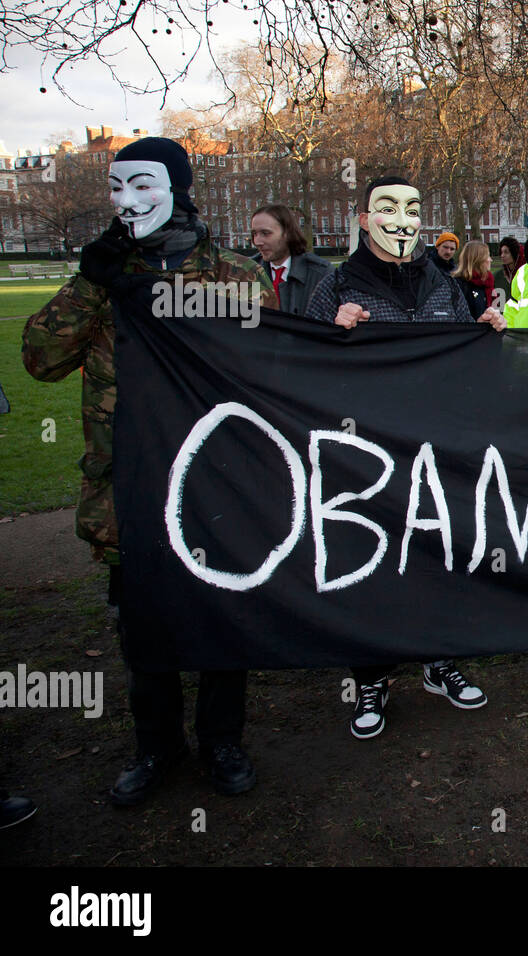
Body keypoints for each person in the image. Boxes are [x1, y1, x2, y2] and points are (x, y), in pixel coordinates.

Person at [22, 136, 276, 805]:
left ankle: (223, 740)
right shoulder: (106, 279)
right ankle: (155, 747)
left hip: (212, 484)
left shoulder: (232, 274)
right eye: (115, 187)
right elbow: (41, 358)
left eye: (142, 185)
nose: (125, 200)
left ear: (180, 188)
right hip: (127, 489)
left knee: (222, 615)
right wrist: (91, 282)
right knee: (143, 626)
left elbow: (272, 369)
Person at [305, 176, 507, 738]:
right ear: (364, 219)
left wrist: (486, 333)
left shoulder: (443, 286)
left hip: (434, 453)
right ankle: (371, 676)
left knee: (435, 554)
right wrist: (330, 333)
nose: (401, 218)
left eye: (412, 208)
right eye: (386, 208)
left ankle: (438, 658)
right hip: (363, 461)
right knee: (368, 563)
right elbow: (299, 365)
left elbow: (464, 364)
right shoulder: (334, 286)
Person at [249, 203, 333, 315]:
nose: (257, 242)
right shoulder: (247, 272)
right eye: (254, 234)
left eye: (266, 233)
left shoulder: (321, 274)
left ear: (287, 233)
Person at [453, 239, 495, 320]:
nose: (491, 260)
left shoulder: (488, 281)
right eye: (488, 256)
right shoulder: (458, 284)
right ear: (478, 259)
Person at [494, 236, 523, 304]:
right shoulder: (497, 276)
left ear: (514, 253)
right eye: (501, 252)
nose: (502, 255)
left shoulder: (525, 275)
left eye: (506, 252)